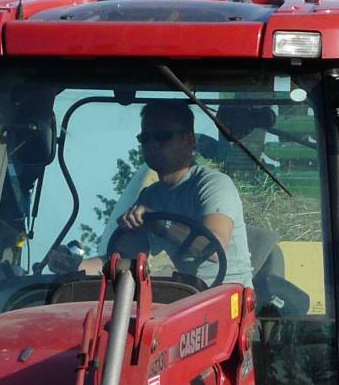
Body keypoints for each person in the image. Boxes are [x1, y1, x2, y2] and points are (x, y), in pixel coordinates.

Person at [81, 100, 254, 286]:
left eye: (162, 136)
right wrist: (75, 267)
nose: (152, 144)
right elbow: (124, 260)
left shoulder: (212, 184)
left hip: (227, 300)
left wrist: (160, 224)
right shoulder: (150, 196)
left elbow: (212, 249)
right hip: (182, 297)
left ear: (189, 139)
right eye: (145, 138)